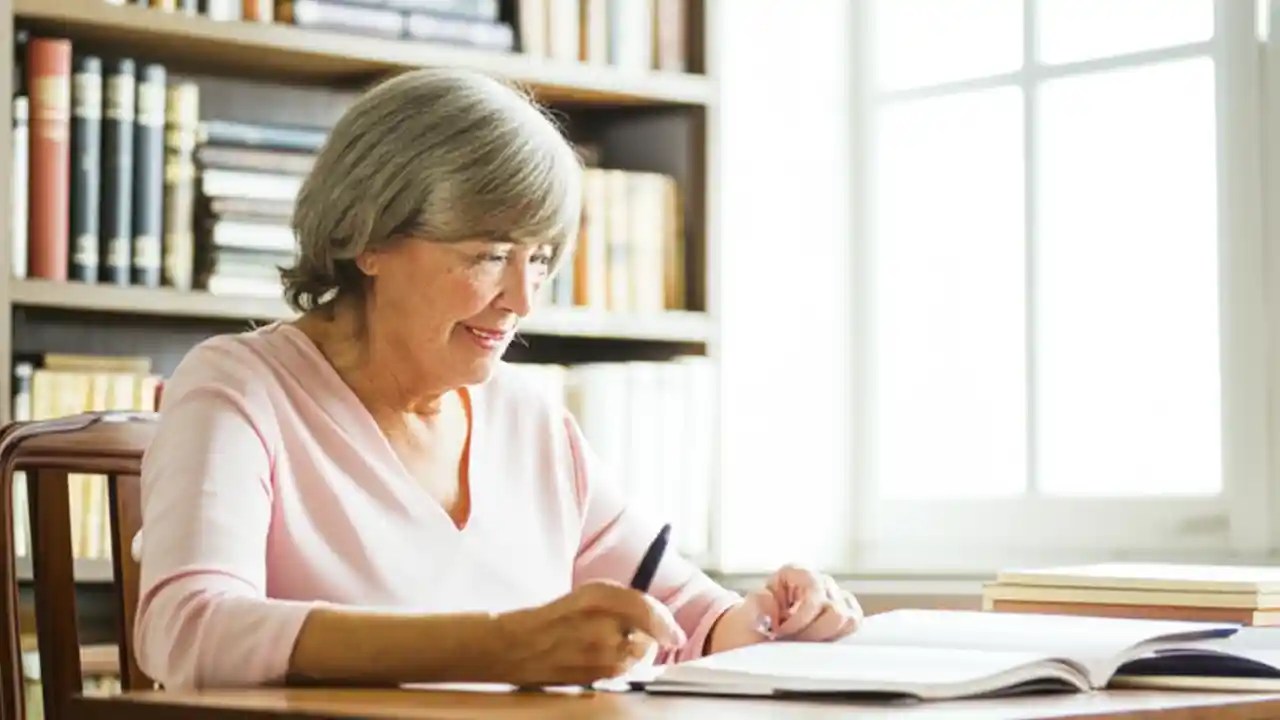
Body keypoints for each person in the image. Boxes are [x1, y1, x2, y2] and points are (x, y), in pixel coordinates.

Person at [133, 68, 862, 691]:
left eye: (541, 258)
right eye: (488, 255)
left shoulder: (531, 420)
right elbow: (189, 629)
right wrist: (499, 645)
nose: (523, 299)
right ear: (367, 239)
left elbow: (685, 623)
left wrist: (774, 617)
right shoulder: (240, 388)